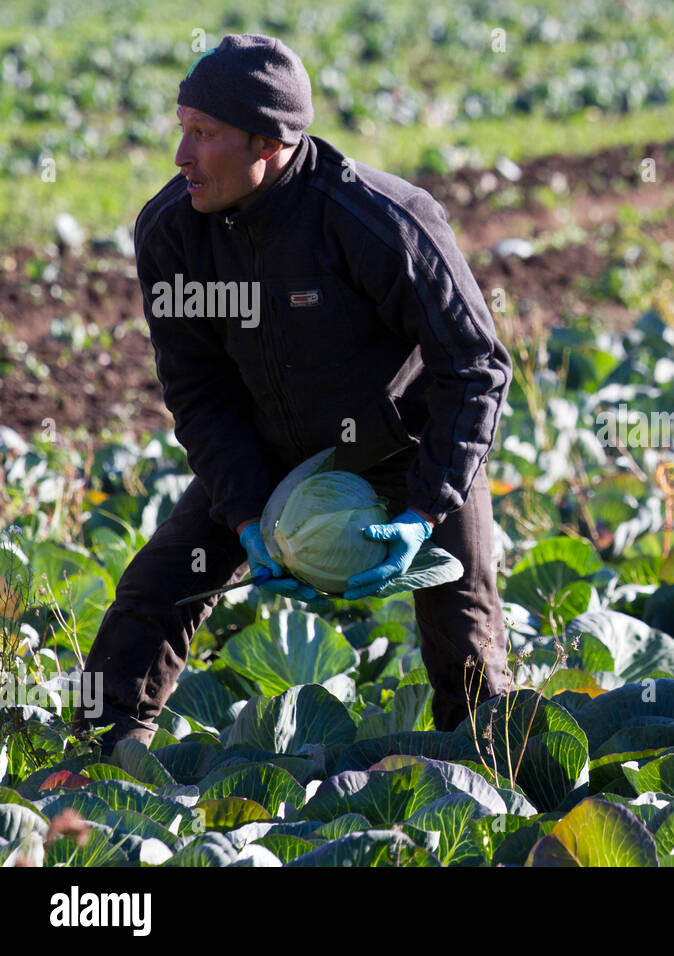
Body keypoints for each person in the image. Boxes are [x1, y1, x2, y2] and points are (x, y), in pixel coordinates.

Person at [76, 34, 512, 751]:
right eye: (181, 128)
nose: (181, 156)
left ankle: (486, 778)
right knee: (156, 593)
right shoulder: (173, 232)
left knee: (464, 634)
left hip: (405, 445)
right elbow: (199, 390)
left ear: (270, 139)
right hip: (270, 447)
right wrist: (248, 516)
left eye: (203, 134)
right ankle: (96, 761)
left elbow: (474, 365)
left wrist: (424, 510)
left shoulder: (379, 220)